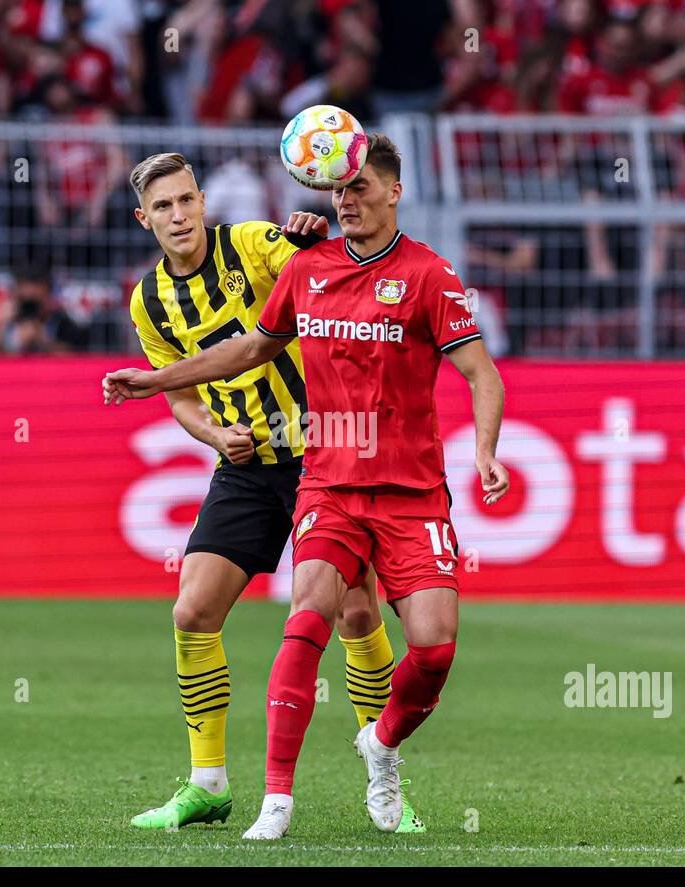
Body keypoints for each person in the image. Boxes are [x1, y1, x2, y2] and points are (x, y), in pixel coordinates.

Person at [105, 135, 508, 839]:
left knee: (357, 618)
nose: (177, 216)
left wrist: (311, 228)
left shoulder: (259, 244)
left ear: (204, 201)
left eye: (185, 200)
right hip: (252, 462)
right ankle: (210, 784)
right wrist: (207, 431)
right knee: (194, 607)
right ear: (145, 219)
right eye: (161, 206)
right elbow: (191, 390)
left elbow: (328, 273)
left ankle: (382, 775)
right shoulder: (148, 301)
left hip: (327, 455)